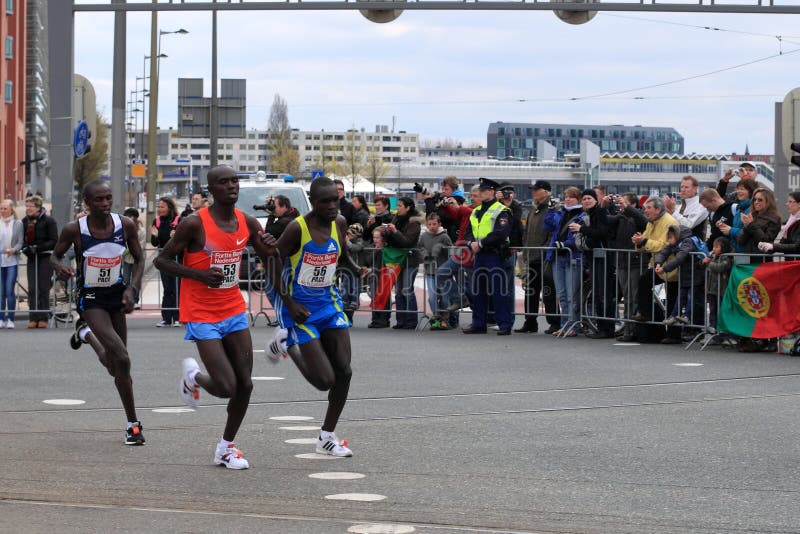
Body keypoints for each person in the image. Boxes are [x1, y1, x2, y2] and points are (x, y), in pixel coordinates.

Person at [153, 165, 277, 469]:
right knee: (225, 387)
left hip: (233, 307)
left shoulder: (245, 221)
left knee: (245, 385)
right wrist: (199, 274)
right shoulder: (194, 224)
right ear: (212, 189)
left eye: (234, 181)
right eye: (224, 182)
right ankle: (193, 376)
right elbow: (162, 260)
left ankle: (225, 448)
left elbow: (270, 254)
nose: (231, 186)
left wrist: (274, 247)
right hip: (201, 311)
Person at [264, 176, 367, 457]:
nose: (333, 206)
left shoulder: (340, 223)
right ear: (313, 201)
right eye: (326, 201)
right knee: (324, 381)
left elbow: (342, 253)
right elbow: (272, 260)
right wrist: (287, 300)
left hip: (329, 304)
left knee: (344, 371)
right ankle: (287, 344)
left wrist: (358, 270)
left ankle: (327, 436)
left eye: (336, 199)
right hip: (301, 310)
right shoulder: (297, 229)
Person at [50, 180, 146, 445]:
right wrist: (60, 267)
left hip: (117, 296)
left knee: (116, 366)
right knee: (123, 358)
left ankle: (86, 335)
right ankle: (133, 425)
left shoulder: (124, 225)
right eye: (99, 200)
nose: (105, 204)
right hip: (91, 299)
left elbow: (139, 258)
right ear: (87, 203)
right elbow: (54, 256)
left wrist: (131, 288)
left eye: (108, 198)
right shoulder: (75, 229)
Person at [462, 178, 514, 335]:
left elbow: (500, 233)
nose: (480, 193)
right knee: (478, 290)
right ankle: (478, 324)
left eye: (484, 191)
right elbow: (468, 232)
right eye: (480, 191)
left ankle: (504, 324)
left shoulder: (502, 210)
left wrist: (481, 244)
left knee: (498, 291)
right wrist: (471, 243)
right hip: (479, 254)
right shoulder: (476, 211)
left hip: (495, 254)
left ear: (492, 191)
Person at [631, 197, 681, 344]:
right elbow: (646, 241)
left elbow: (665, 245)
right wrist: (638, 241)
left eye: (648, 208)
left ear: (658, 209)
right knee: (649, 286)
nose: (645, 210)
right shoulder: (651, 223)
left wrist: (644, 242)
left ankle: (674, 335)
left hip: (671, 266)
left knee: (671, 299)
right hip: (659, 265)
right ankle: (650, 319)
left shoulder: (669, 222)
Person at [601, 192, 648, 342]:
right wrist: (603, 206)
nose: (621, 206)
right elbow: (604, 221)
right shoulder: (621, 217)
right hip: (622, 262)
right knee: (627, 297)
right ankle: (628, 328)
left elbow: (644, 221)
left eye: (624, 203)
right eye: (620, 204)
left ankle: (632, 329)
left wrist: (627, 208)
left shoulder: (638, 216)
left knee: (633, 297)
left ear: (633, 204)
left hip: (636, 262)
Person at [371, 197, 423, 329]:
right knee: (399, 291)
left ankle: (411, 321)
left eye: (400, 206)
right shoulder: (396, 218)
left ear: (408, 208)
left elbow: (407, 242)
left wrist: (395, 231)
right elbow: (392, 239)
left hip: (410, 260)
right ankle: (401, 321)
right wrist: (386, 231)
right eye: (397, 205)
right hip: (396, 260)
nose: (397, 208)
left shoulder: (414, 223)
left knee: (407, 289)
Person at [517, 180, 560, 334]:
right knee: (531, 291)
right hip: (532, 255)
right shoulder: (533, 210)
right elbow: (526, 232)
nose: (533, 192)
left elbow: (553, 231)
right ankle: (530, 321)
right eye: (533, 190)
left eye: (537, 190)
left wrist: (546, 248)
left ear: (546, 191)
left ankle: (554, 322)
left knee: (549, 291)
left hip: (545, 256)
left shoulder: (553, 208)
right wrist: (526, 250)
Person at [573, 188, 616, 339]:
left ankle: (607, 328)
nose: (586, 201)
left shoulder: (599, 212)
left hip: (604, 257)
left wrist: (581, 229)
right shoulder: (590, 213)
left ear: (596, 200)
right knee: (597, 293)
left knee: (604, 293)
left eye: (589, 198)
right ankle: (601, 326)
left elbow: (601, 232)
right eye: (584, 199)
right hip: (594, 257)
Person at [549, 187, 588, 337]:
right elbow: (549, 226)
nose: (567, 199)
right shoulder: (561, 212)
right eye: (566, 196)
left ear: (578, 199)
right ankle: (564, 325)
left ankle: (573, 326)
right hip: (558, 256)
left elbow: (577, 237)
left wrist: (567, 244)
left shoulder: (582, 215)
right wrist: (552, 209)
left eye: (571, 197)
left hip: (573, 257)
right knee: (562, 294)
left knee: (573, 295)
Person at [654, 225, 705, 329]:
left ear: (676, 236)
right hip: (686, 275)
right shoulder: (677, 243)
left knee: (691, 297)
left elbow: (680, 257)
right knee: (681, 295)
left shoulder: (687, 242)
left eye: (670, 237)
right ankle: (674, 315)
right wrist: (658, 263)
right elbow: (664, 252)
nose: (668, 240)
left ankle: (686, 316)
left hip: (696, 274)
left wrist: (665, 268)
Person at [21, 195, 58, 328]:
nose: (28, 209)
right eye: (27, 206)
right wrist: (26, 248)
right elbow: (22, 239)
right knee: (32, 289)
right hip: (32, 258)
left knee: (43, 287)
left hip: (44, 257)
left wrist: (39, 247)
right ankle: (33, 317)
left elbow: (54, 240)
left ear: (38, 207)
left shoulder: (49, 221)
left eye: (30, 206)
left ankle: (43, 317)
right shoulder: (25, 221)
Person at [418, 213, 453, 330]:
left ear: (439, 224)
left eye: (434, 224)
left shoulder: (444, 236)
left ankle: (444, 319)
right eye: (429, 224)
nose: (432, 226)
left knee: (444, 297)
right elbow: (419, 247)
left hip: (443, 272)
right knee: (432, 297)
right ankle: (436, 318)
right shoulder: (424, 236)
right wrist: (424, 253)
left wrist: (441, 247)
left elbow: (451, 250)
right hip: (430, 271)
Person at [150, 197, 181, 327]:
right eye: (158, 207)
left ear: (169, 207)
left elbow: (182, 241)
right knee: (167, 288)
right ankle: (166, 318)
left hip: (177, 259)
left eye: (162, 206)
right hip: (163, 259)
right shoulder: (156, 222)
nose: (159, 209)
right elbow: (154, 243)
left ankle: (178, 317)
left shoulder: (178, 220)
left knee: (177, 288)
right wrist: (155, 236)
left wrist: (176, 236)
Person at [735, 187, 780, 263]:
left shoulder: (774, 219)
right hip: (747, 259)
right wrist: (746, 226)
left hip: (762, 260)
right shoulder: (752, 215)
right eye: (754, 200)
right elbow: (740, 241)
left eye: (760, 200)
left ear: (768, 202)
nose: (756, 202)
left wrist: (751, 225)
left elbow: (765, 240)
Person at [715, 178, 757, 254]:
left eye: (742, 189)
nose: (738, 191)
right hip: (737, 251)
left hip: (747, 253)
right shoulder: (739, 209)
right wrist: (725, 227)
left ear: (750, 191)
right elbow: (738, 229)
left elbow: (751, 232)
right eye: (738, 189)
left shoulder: (753, 209)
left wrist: (731, 230)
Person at [702, 236, 733, 333]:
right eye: (713, 247)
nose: (714, 249)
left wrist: (709, 263)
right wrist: (704, 261)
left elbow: (720, 267)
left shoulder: (726, 258)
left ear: (723, 248)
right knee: (712, 309)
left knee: (720, 309)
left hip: (721, 289)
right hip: (712, 288)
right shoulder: (713, 256)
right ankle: (712, 327)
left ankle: (722, 330)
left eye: (717, 247)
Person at [0, 199, 23, 328]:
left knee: (9, 289)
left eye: (5, 209)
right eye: (1, 209)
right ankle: (1, 317)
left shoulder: (17, 223)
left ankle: (11, 319)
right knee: (1, 291)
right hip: (0, 259)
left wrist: (13, 250)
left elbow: (20, 242)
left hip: (11, 260)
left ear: (11, 209)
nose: (2, 211)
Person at [664, 175, 708, 240]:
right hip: (678, 244)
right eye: (682, 187)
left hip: (694, 246)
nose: (683, 190)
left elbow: (688, 225)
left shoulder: (701, 205)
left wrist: (672, 210)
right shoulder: (681, 206)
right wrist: (668, 211)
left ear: (695, 189)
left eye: (686, 187)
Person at [758, 191, 800, 256]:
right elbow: (784, 243)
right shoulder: (790, 222)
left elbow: (798, 246)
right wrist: (768, 247)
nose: (787, 204)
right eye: (787, 201)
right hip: (792, 262)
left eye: (790, 201)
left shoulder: (796, 222)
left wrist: (774, 246)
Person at [122, 208, 145, 309]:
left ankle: (135, 300)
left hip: (137, 260)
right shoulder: (123, 229)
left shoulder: (141, 230)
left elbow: (141, 246)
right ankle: (126, 299)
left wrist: (129, 249)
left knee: (136, 281)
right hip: (127, 259)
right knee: (126, 280)